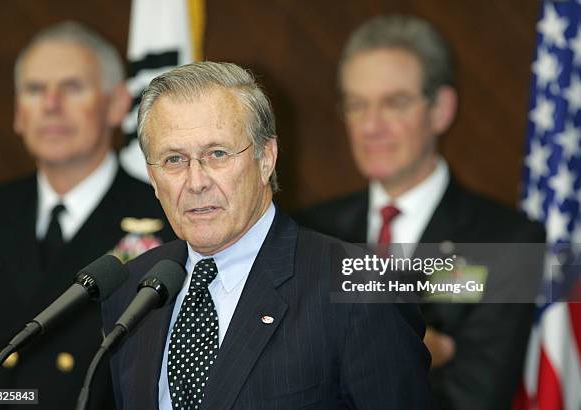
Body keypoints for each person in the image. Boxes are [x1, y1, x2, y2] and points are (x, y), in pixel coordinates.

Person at [101, 61, 431, 409]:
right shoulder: (132, 289)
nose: (195, 182)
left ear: (265, 158)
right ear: (153, 178)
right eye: (173, 160)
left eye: (217, 154)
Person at [295, 15, 546, 410]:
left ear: (441, 109)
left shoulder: (508, 240)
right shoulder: (307, 231)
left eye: (394, 103)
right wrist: (418, 347)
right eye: (357, 105)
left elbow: (474, 396)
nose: (370, 126)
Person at [0, 21, 173, 409]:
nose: (50, 104)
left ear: (116, 105)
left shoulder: (165, 218)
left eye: (72, 87)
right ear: (18, 113)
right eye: (34, 90)